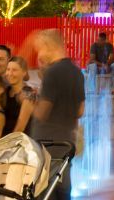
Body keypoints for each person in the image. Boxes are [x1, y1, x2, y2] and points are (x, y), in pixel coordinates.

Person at [29, 29, 85, 200]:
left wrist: (27, 102)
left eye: (40, 49)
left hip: (46, 143)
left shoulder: (52, 73)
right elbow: (80, 111)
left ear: (48, 46)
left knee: (43, 192)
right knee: (63, 188)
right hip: (66, 141)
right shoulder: (77, 72)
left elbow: (43, 113)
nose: (40, 54)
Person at [2, 57, 37, 133]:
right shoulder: (5, 91)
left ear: (24, 72)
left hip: (19, 140)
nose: (10, 74)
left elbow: (20, 128)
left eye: (14, 70)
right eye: (8, 69)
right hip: (5, 138)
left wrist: (8, 144)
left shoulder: (28, 93)